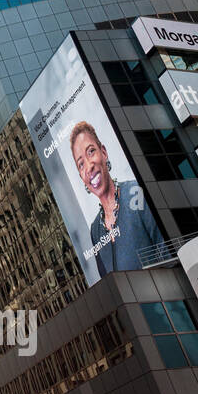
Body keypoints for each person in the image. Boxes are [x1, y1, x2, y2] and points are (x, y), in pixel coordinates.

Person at [69, 120, 163, 280]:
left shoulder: (135, 192)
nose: (89, 166)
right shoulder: (95, 230)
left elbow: (166, 253)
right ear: (81, 177)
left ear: (103, 152)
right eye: (81, 164)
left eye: (91, 151)